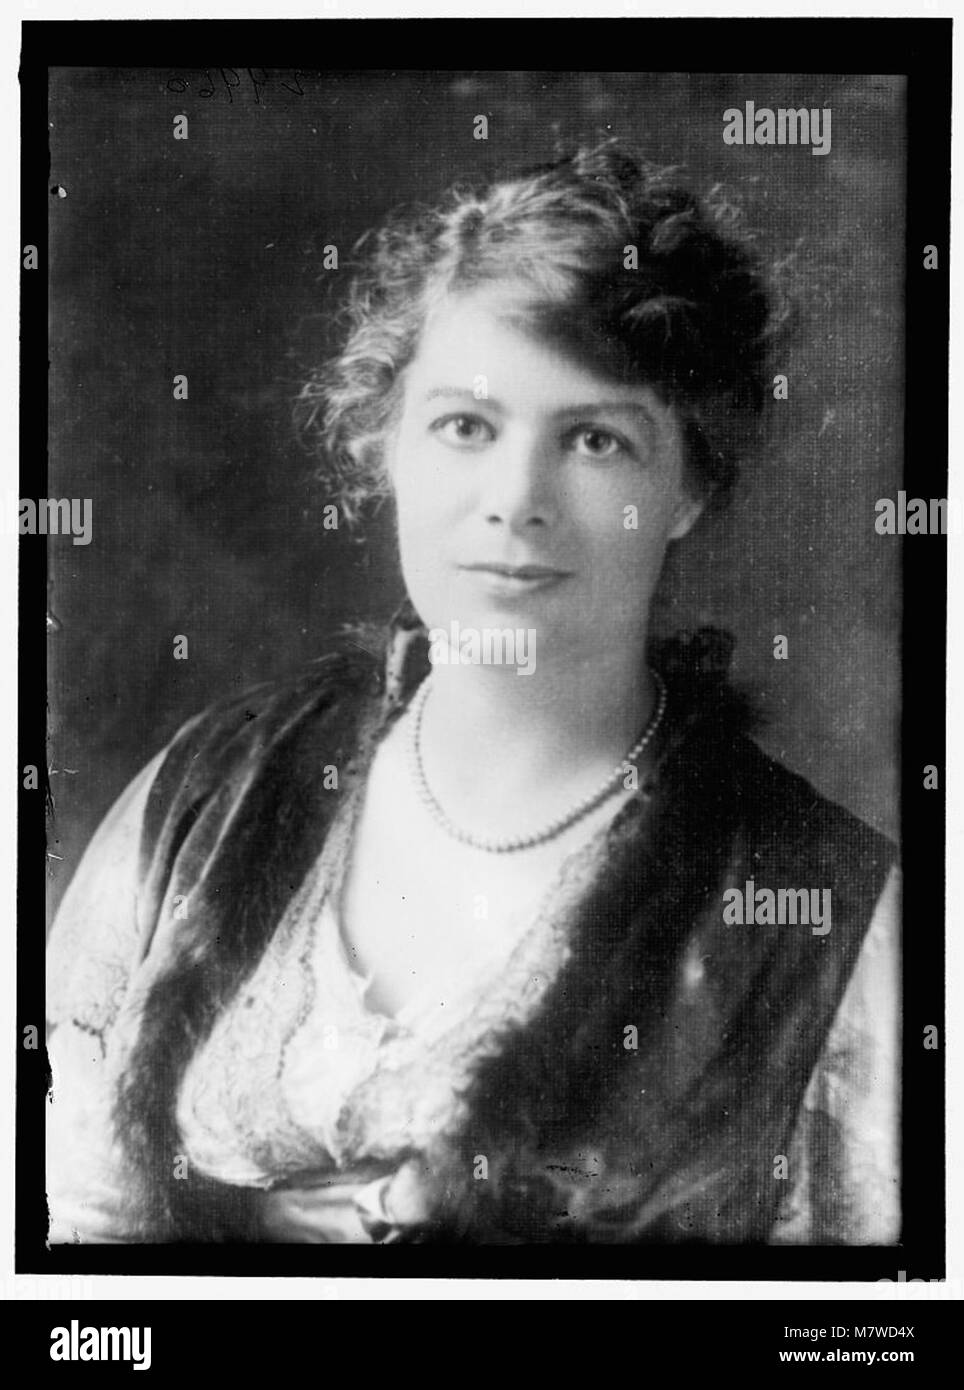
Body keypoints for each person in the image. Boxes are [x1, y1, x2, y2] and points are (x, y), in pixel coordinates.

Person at [46, 142, 899, 1245]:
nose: (515, 500)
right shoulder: (209, 793)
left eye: (594, 439)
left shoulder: (827, 922)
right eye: (465, 427)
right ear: (385, 442)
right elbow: (66, 1244)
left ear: (688, 485)